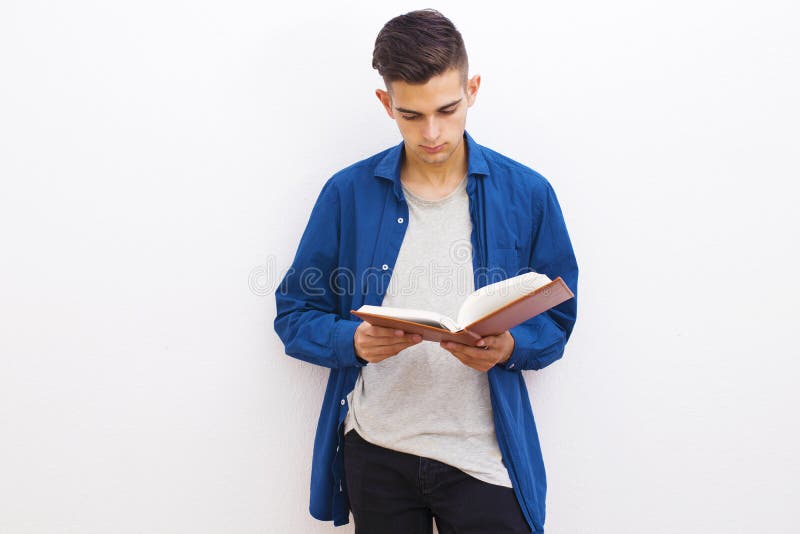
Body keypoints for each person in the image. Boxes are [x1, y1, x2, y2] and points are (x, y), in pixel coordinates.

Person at [274, 9, 578, 534]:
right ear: (385, 102)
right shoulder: (347, 194)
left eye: (448, 108)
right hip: (377, 452)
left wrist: (509, 347)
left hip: (484, 458)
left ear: (473, 89)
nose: (433, 133)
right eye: (411, 115)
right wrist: (353, 342)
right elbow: (294, 314)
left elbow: (558, 320)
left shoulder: (528, 194)